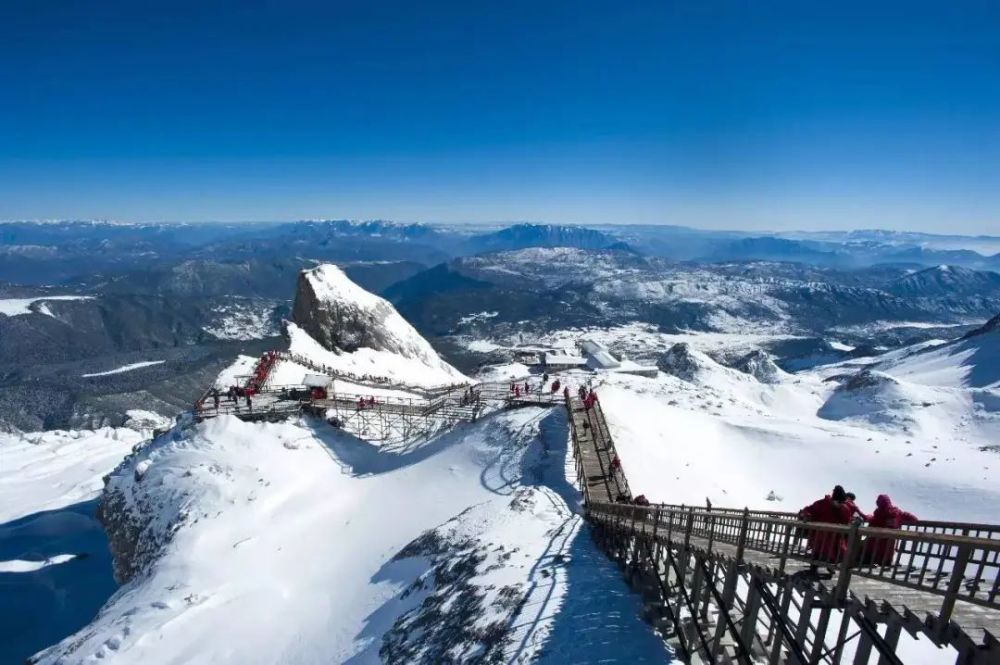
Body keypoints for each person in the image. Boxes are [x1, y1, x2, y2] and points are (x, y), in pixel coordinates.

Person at [798, 485, 853, 562]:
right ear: (834, 499)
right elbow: (808, 509)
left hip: (835, 537)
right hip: (820, 535)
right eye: (839, 502)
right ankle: (813, 568)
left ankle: (830, 568)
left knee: (834, 555)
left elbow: (847, 521)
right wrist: (806, 515)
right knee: (817, 553)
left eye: (842, 502)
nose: (840, 504)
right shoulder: (822, 504)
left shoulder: (845, 509)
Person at [860, 495, 918, 567]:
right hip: (889, 549)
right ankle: (886, 563)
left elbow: (871, 526)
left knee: (867, 545)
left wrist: (869, 518)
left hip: (875, 546)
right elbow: (911, 517)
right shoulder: (897, 512)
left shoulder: (878, 513)